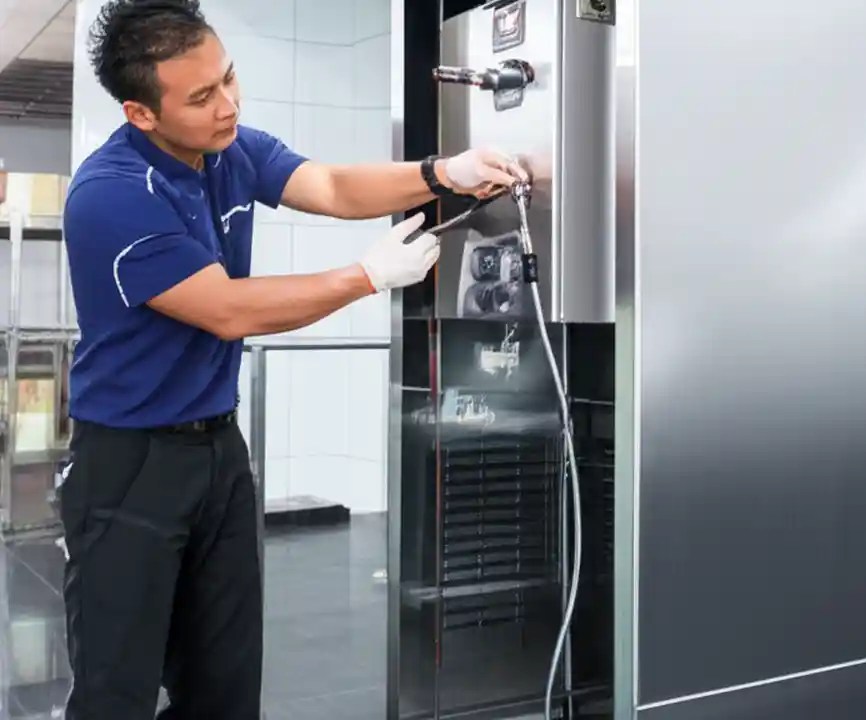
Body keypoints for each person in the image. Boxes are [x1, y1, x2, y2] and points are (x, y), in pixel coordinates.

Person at [58, 1, 528, 717]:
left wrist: (444, 172)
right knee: (115, 690)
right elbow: (226, 309)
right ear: (141, 113)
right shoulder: (111, 194)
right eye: (202, 96)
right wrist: (365, 278)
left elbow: (333, 188)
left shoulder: (230, 150)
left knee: (225, 679)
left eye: (229, 78)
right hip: (128, 466)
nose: (228, 104)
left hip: (217, 449)